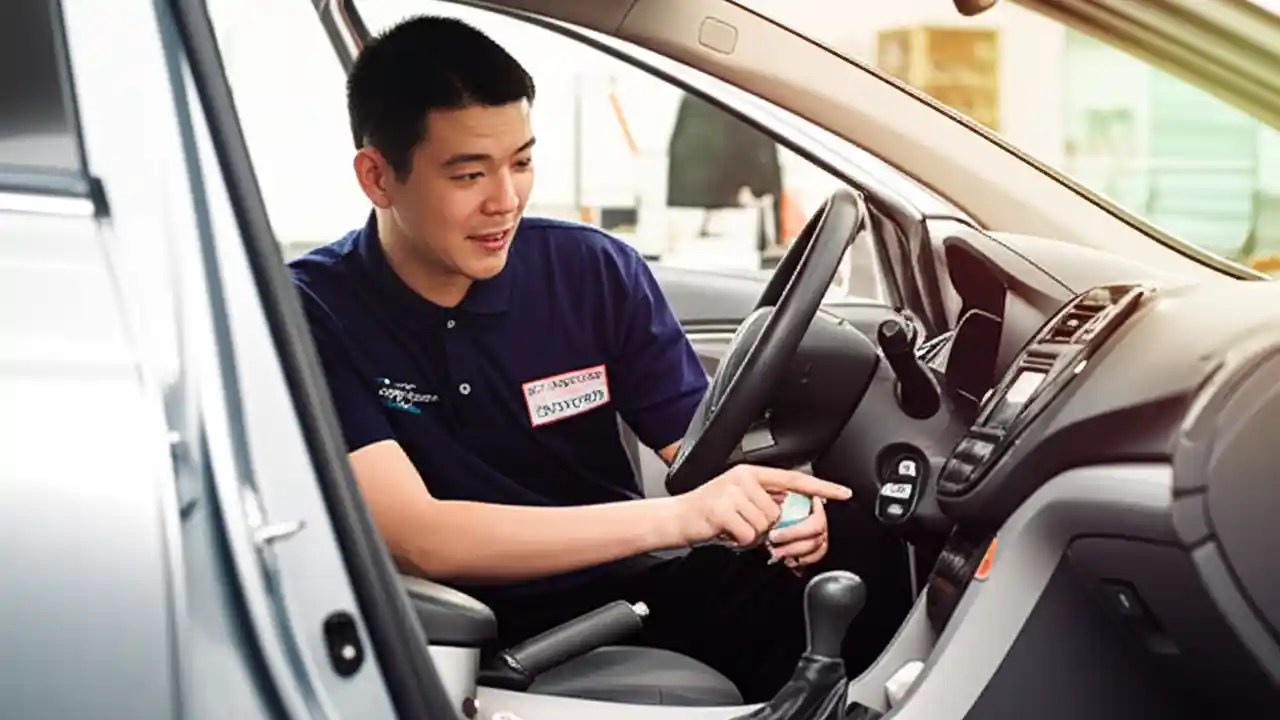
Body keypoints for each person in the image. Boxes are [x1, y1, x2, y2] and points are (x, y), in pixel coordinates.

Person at [290, 15, 908, 701]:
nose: (505, 201)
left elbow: (699, 453)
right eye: (469, 174)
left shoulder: (593, 271)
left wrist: (773, 506)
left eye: (521, 163)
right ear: (378, 177)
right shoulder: (312, 311)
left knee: (864, 542)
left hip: (625, 595)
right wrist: (679, 517)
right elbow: (419, 539)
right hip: (455, 629)